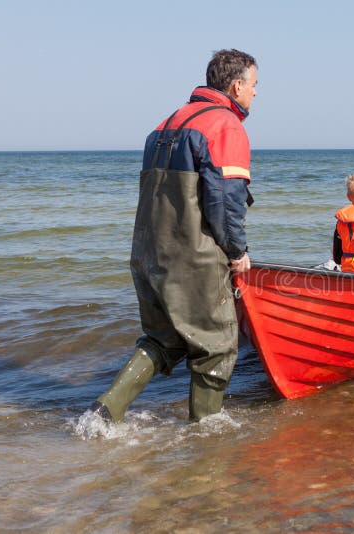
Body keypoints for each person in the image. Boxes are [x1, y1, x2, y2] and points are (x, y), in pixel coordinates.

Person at [91, 49, 258, 423]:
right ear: (236, 85)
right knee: (215, 347)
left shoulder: (165, 124)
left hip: (147, 252)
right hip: (192, 258)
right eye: (254, 85)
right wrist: (237, 251)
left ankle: (104, 413)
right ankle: (205, 435)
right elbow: (225, 201)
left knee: (162, 340)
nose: (255, 93)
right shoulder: (225, 125)